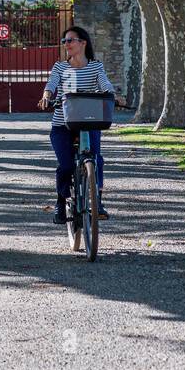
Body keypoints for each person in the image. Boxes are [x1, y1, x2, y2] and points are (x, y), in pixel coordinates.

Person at [37, 24, 115, 225]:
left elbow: (104, 83)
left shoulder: (95, 66)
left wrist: (112, 94)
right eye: (64, 41)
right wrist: (47, 96)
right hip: (62, 124)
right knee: (66, 165)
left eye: (70, 40)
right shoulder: (61, 67)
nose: (66, 44)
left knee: (96, 159)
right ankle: (61, 201)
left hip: (89, 123)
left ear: (83, 43)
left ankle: (97, 201)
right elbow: (51, 85)